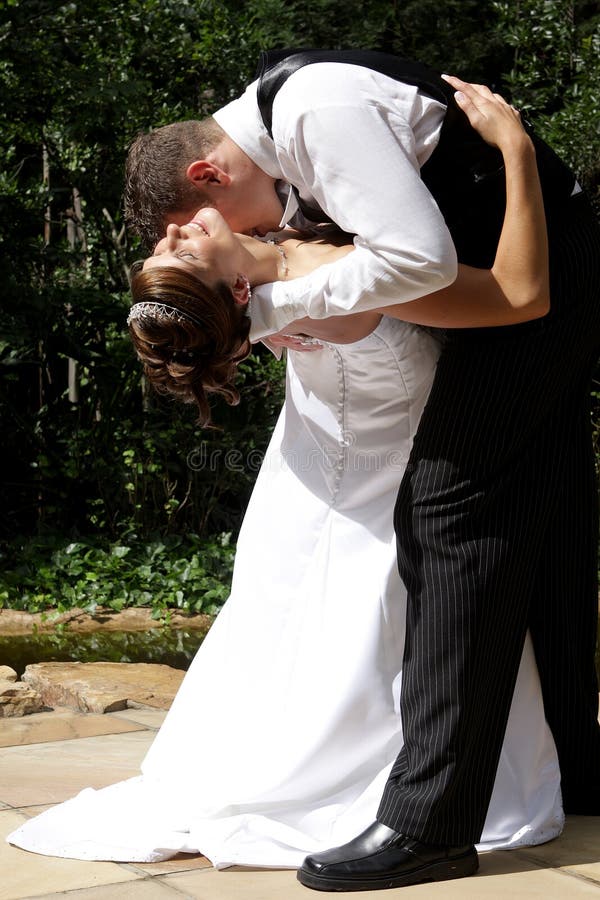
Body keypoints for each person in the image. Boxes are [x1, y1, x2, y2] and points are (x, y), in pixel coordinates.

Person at [7, 84, 564, 882]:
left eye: (162, 244)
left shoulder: (261, 292)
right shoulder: (345, 289)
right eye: (179, 253)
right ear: (236, 294)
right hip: (379, 498)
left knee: (301, 654)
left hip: (299, 497)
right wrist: (515, 153)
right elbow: (518, 294)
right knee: (376, 657)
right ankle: (389, 800)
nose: (172, 234)